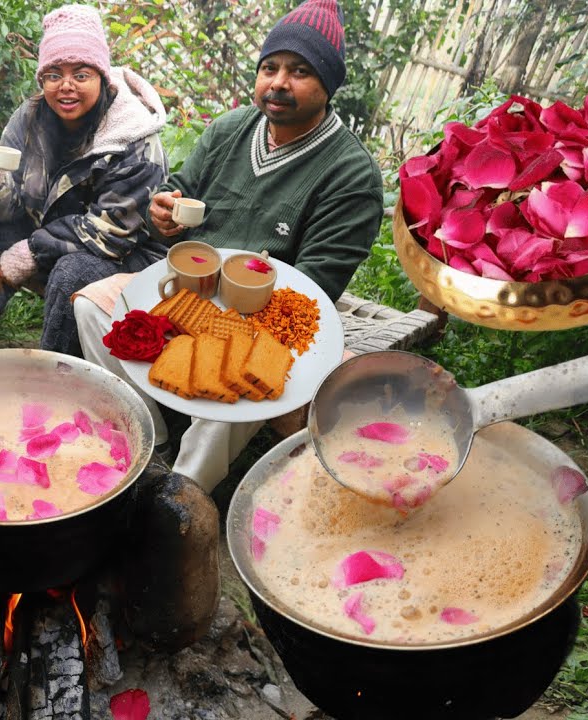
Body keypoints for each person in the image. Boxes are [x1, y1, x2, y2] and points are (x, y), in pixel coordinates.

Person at [74, 0, 384, 492]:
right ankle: (150, 433)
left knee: (239, 384)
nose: (279, 82)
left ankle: (183, 489)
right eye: (270, 68)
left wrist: (225, 325)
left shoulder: (350, 173)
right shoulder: (230, 129)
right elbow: (178, 194)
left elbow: (319, 282)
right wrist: (164, 214)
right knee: (94, 308)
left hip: (268, 312)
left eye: (300, 71)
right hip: (186, 286)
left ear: (329, 85)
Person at [0, 4, 168, 360]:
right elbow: (9, 208)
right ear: (42, 79)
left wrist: (31, 250)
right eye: (54, 74)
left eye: (81, 74)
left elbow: (112, 234)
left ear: (102, 77)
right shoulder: (30, 118)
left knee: (72, 272)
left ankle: (59, 383)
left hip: (124, 255)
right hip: (47, 236)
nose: (66, 87)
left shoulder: (135, 137)